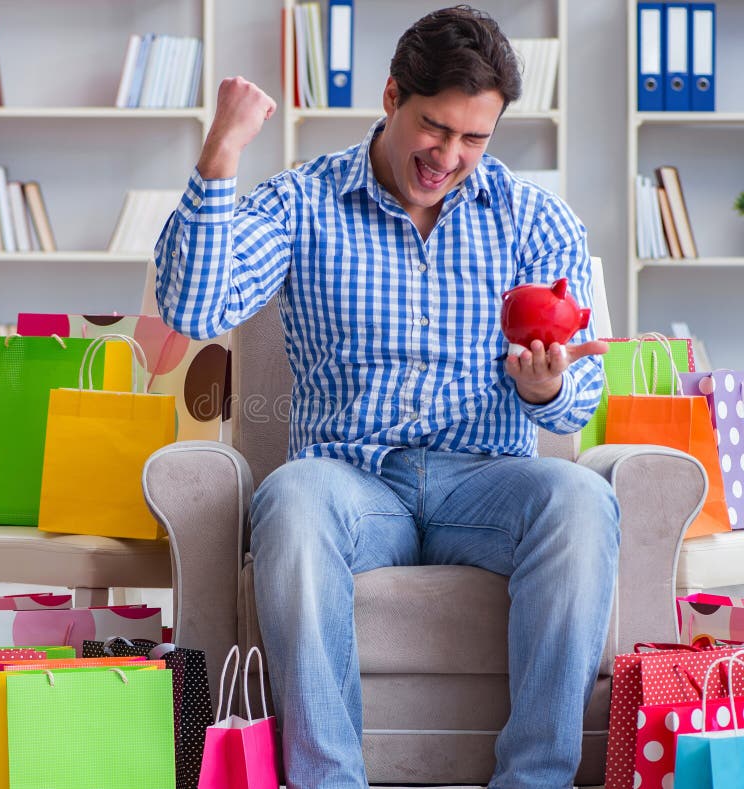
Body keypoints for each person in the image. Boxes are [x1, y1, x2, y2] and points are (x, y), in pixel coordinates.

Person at [154, 5, 620, 788]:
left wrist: (549, 387)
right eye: (435, 128)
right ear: (392, 94)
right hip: (353, 484)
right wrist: (221, 153)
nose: (449, 156)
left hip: (488, 484)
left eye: (475, 138)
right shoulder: (305, 201)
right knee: (292, 499)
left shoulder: (533, 216)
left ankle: (534, 778)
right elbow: (196, 312)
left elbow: (579, 394)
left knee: (580, 499)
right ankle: (329, 779)